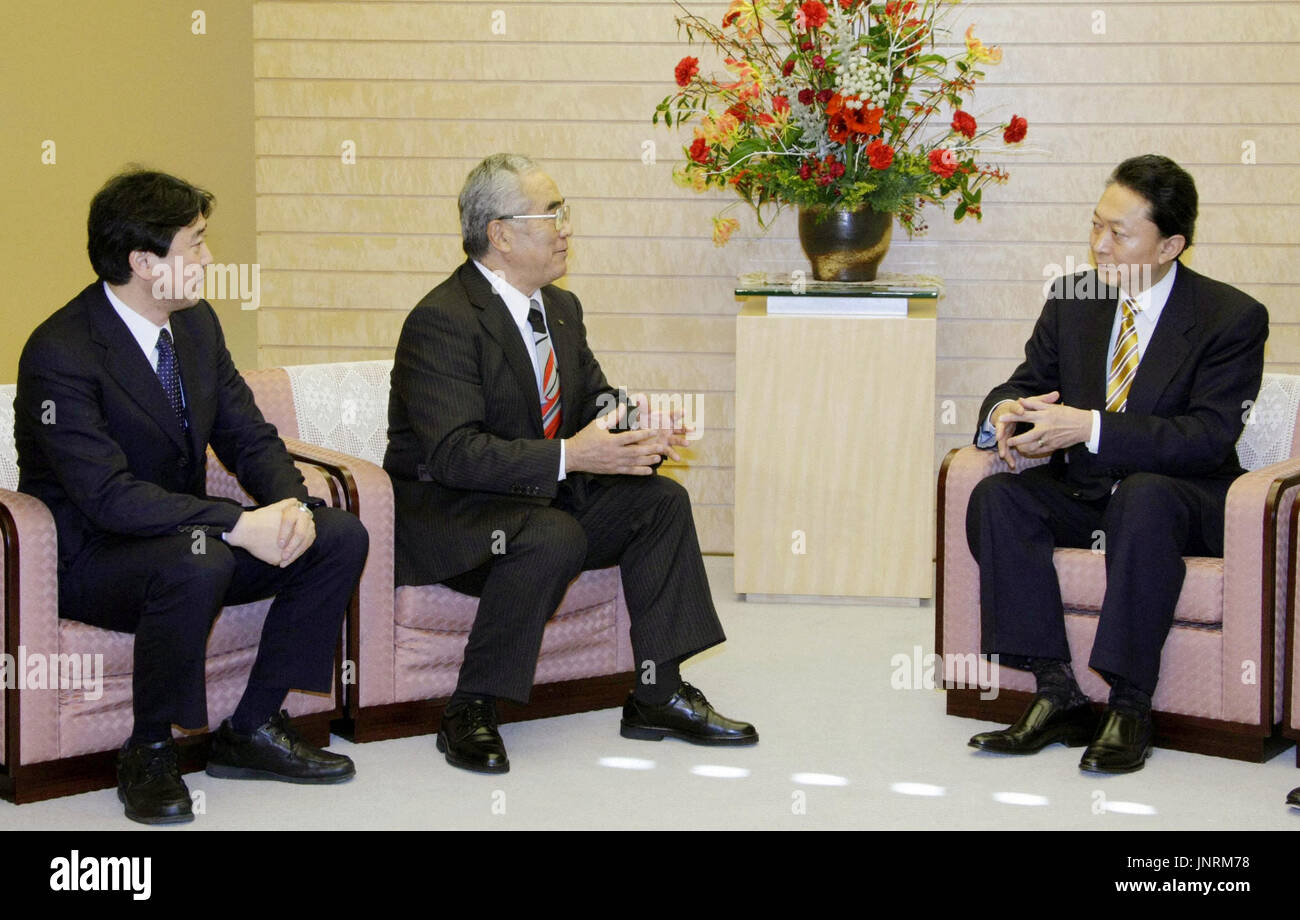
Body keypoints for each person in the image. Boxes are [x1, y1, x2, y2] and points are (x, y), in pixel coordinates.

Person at [15, 169, 369, 823]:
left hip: (185, 537)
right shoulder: (61, 351)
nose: (210, 259)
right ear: (145, 262)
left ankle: (254, 728)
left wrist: (291, 509)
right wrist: (238, 523)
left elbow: (250, 437)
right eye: (197, 243)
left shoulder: (197, 326)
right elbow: (108, 498)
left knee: (338, 534)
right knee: (199, 557)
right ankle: (148, 751)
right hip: (97, 559)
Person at [385, 153, 757, 773]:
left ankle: (658, 692)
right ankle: (470, 707)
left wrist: (638, 426)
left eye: (565, 211)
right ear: (501, 234)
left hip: (536, 497)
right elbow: (453, 453)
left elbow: (591, 401)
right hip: (454, 512)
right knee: (552, 533)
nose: (565, 227)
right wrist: (572, 454)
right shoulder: (442, 321)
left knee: (659, 502)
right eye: (551, 213)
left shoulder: (560, 308)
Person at [964, 155, 1268, 774]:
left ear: (1170, 245)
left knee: (1147, 495)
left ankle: (1131, 705)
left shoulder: (1230, 318)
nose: (1100, 246)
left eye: (1119, 233)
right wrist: (1005, 414)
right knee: (998, 497)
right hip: (1089, 496)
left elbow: (1208, 436)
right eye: (1095, 226)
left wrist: (1089, 427)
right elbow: (1025, 383)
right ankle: (1058, 692)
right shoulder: (1074, 298)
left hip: (1184, 500)